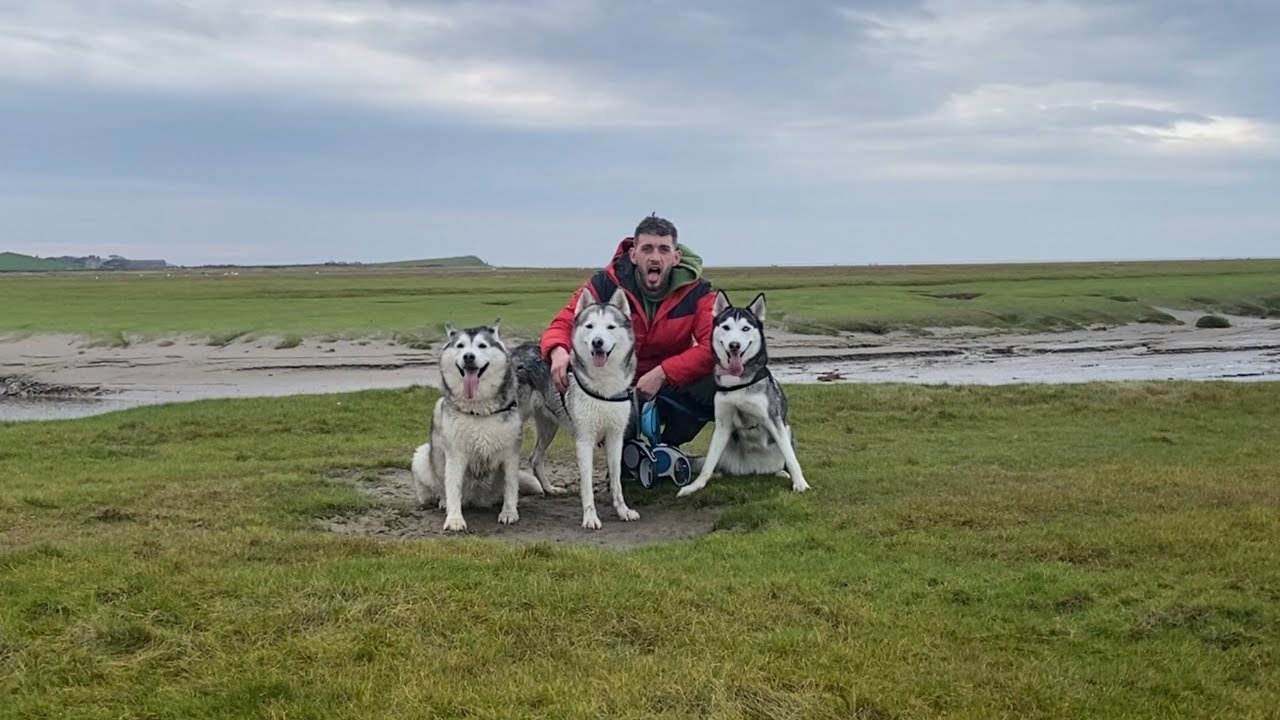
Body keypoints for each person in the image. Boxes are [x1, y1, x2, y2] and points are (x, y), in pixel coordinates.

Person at [538, 214, 717, 447]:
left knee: (721, 375)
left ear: (676, 257)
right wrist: (558, 351)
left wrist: (663, 373)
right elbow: (564, 322)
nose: (655, 257)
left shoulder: (698, 292)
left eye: (664, 249)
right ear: (633, 255)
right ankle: (625, 449)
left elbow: (713, 345)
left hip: (671, 383)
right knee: (624, 457)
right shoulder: (605, 284)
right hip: (617, 385)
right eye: (647, 249)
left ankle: (669, 447)